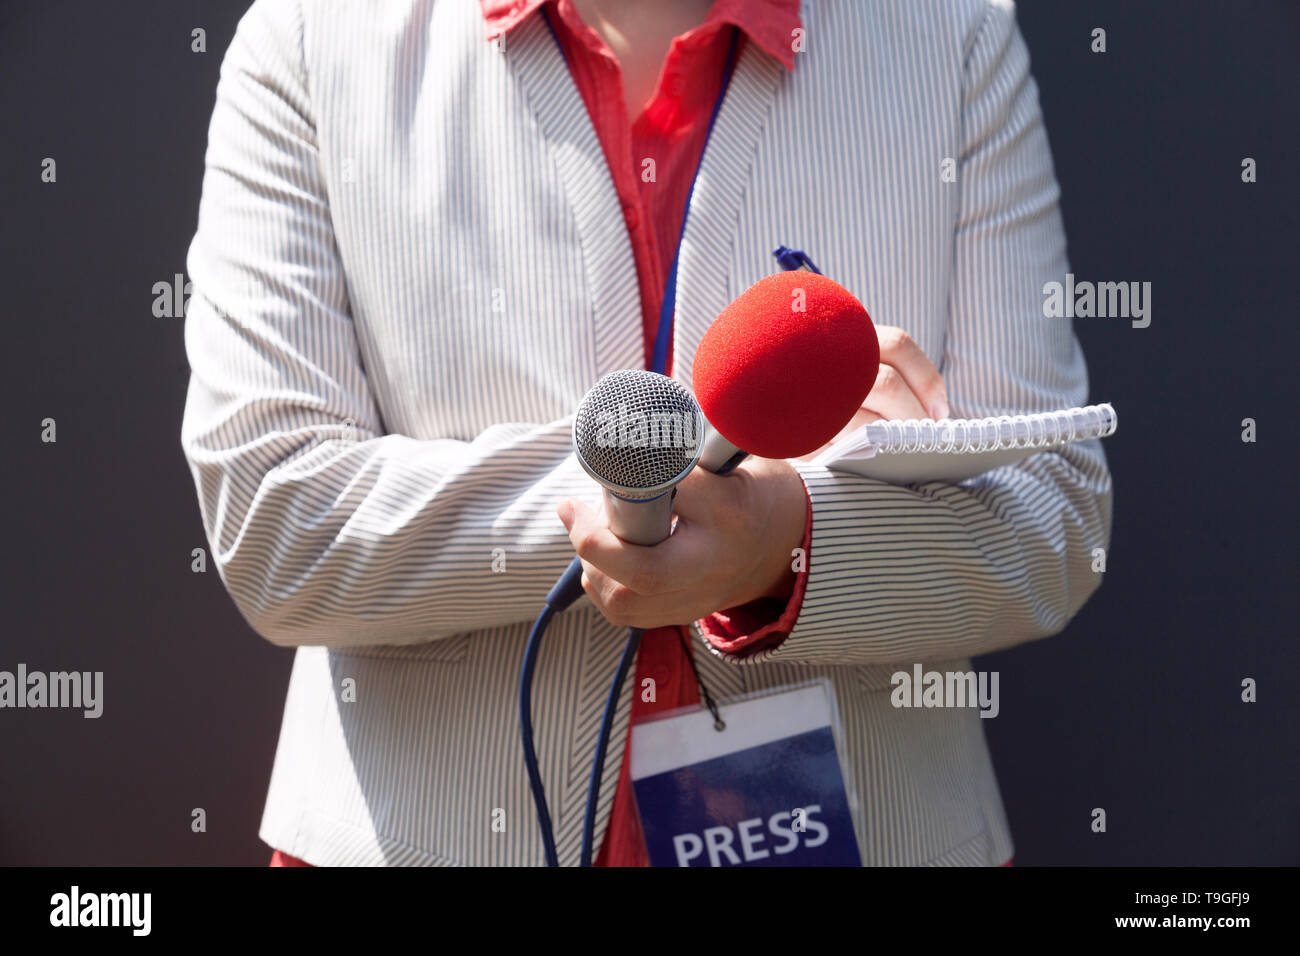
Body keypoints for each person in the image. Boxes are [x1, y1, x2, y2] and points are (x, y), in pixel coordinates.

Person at [181, 0, 1111, 866]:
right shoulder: (312, 36)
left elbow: (1054, 520)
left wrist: (788, 542)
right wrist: (701, 469)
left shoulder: (950, 36)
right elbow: (275, 524)